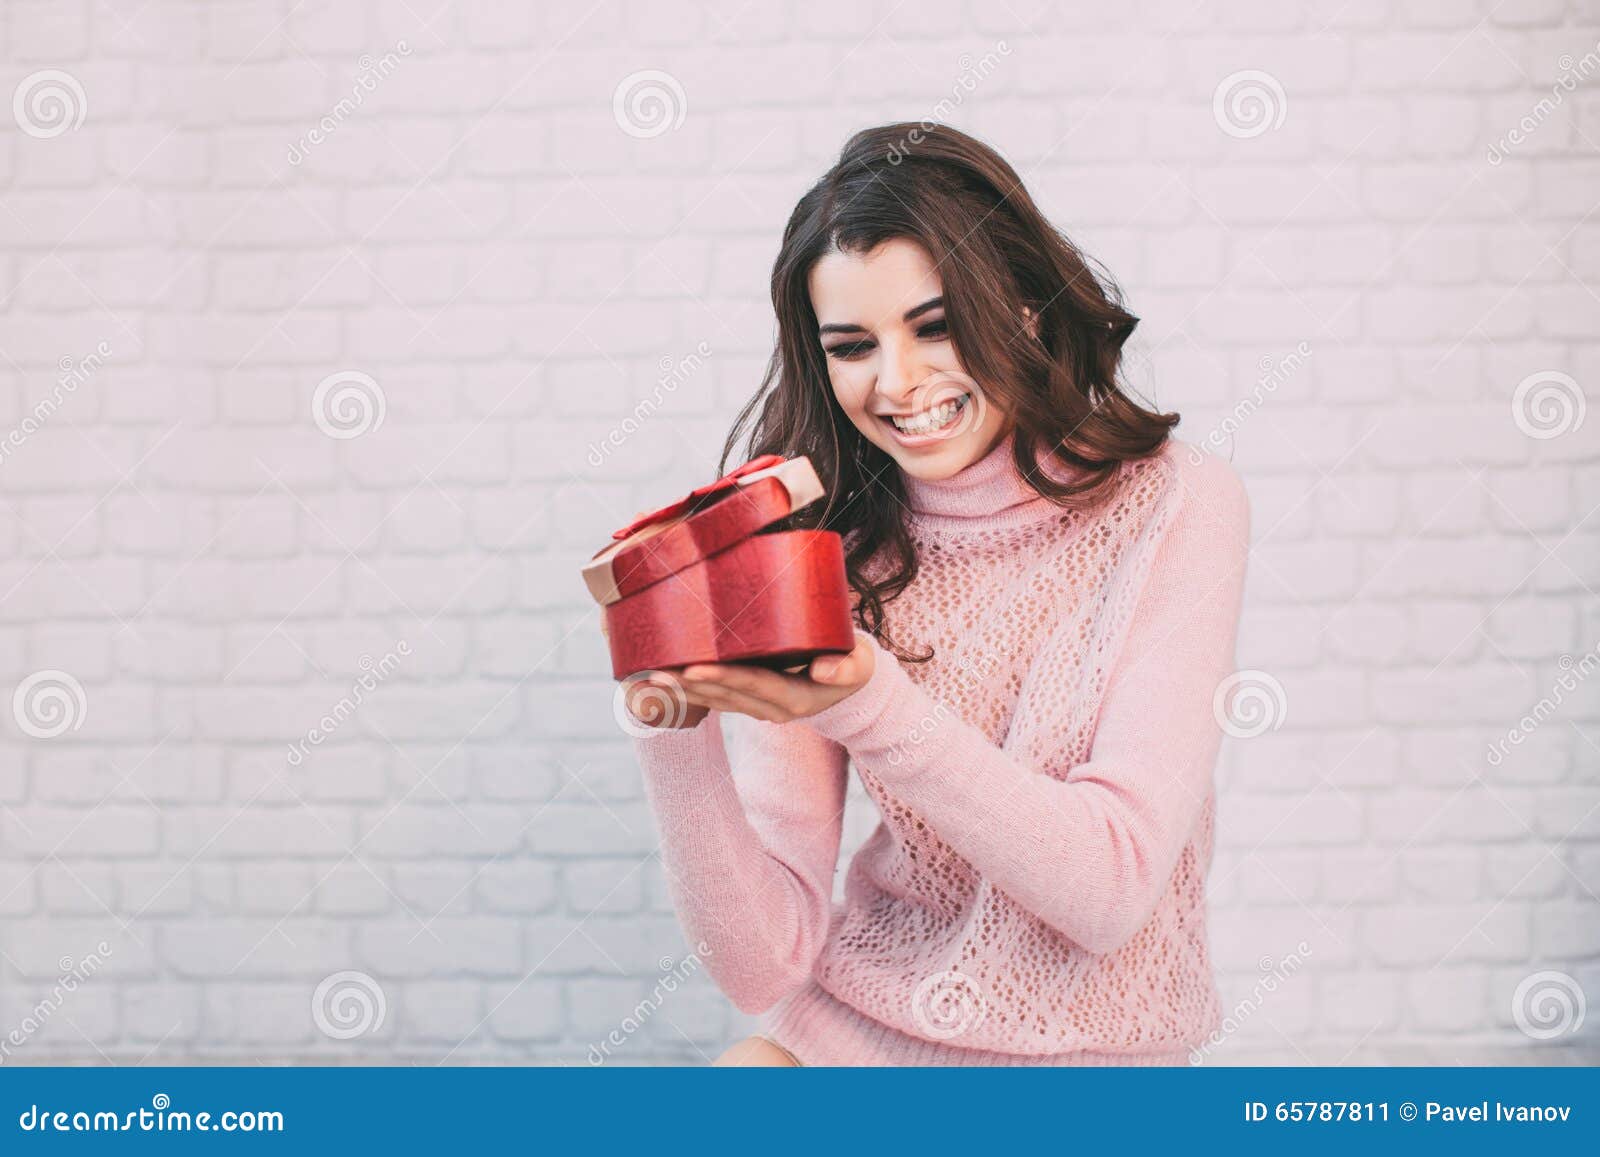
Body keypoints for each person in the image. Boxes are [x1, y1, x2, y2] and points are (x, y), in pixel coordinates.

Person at [618, 122, 1251, 1066]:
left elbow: (1112, 888)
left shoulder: (1176, 504)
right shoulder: (826, 551)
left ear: (1023, 306)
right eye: (852, 346)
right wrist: (673, 721)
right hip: (853, 1044)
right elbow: (761, 965)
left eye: (935, 325)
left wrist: (866, 702)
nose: (899, 382)